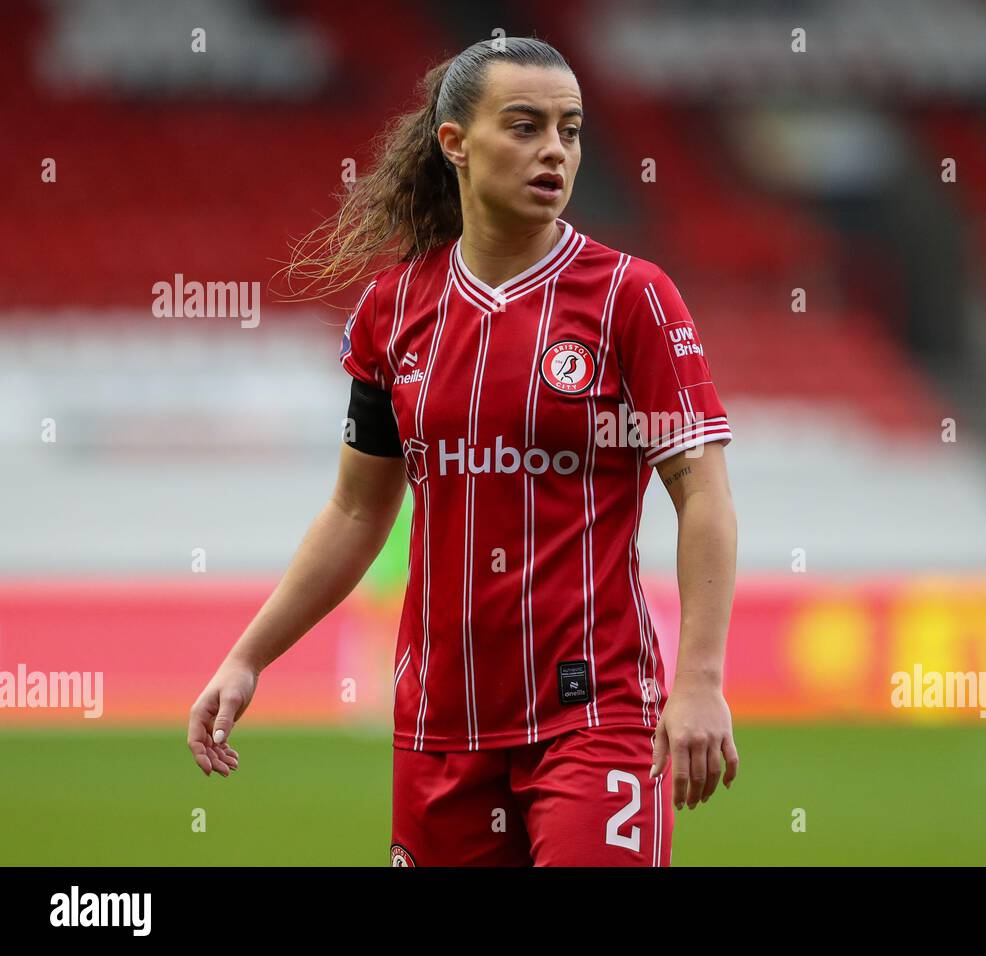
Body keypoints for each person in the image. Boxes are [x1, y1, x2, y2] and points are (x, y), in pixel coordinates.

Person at [187, 36, 739, 867]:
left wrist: (697, 680)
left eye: (571, 129)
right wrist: (249, 655)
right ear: (455, 144)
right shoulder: (392, 309)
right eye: (525, 126)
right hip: (440, 727)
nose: (555, 149)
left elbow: (702, 494)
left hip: (596, 715)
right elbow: (356, 509)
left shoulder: (632, 297)